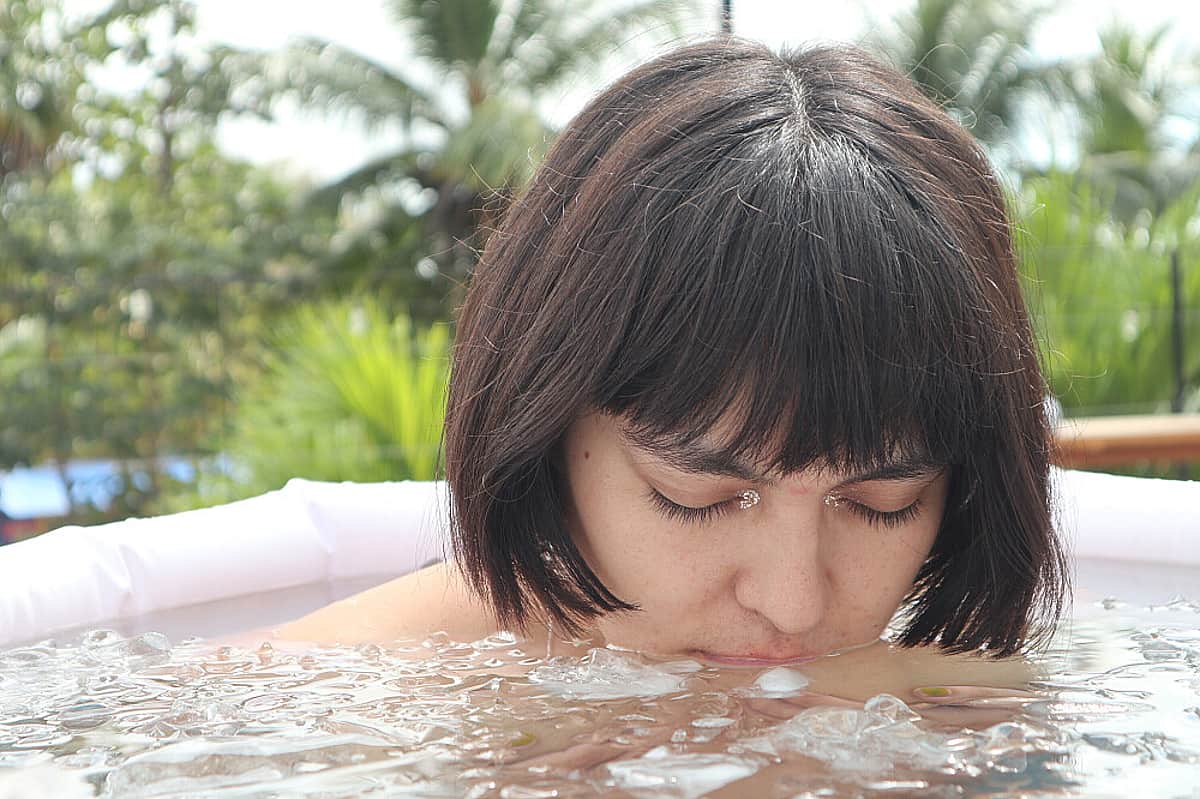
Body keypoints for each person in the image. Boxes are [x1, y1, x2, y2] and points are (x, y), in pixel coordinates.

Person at [275, 36, 1071, 701]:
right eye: (695, 497)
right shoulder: (324, 707)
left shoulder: (972, 708)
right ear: (545, 433)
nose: (793, 604)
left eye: (881, 503)